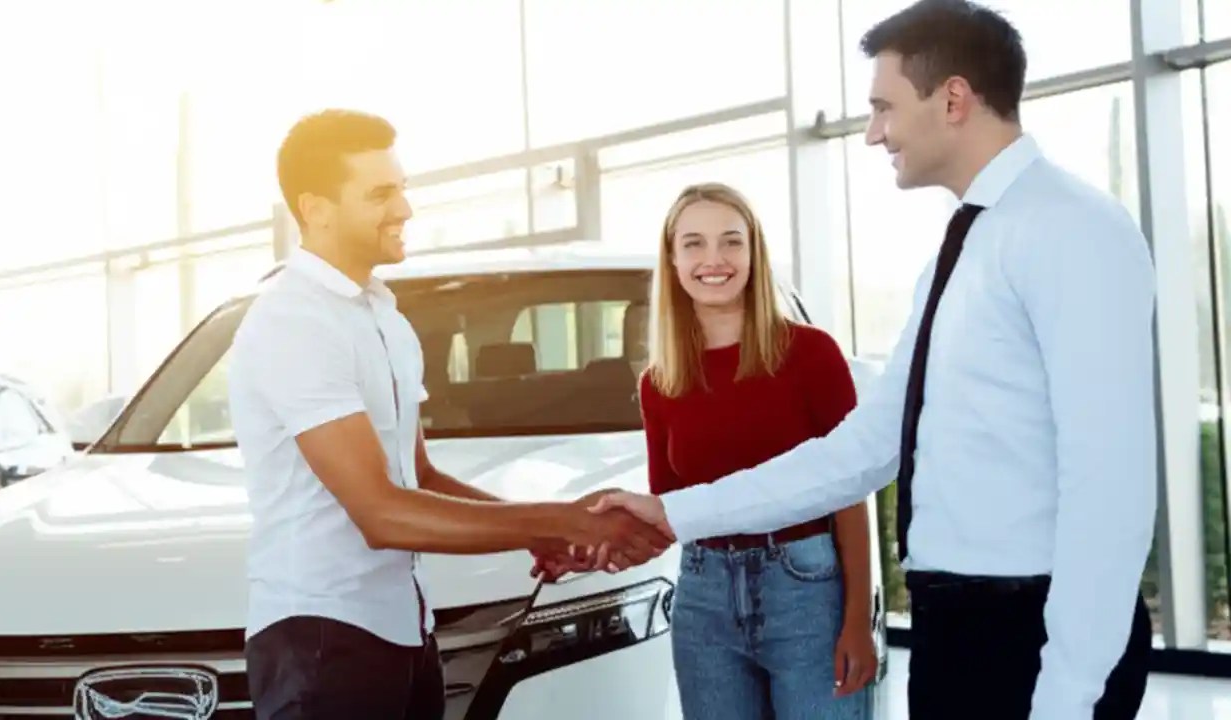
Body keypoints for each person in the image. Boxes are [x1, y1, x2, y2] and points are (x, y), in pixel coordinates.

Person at [589, 2, 1156, 719]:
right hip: (961, 628)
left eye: (884, 107)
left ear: (953, 98)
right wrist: (670, 511)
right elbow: (859, 451)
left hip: (1032, 634)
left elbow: (1110, 488)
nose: (872, 133)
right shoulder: (961, 252)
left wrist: (1072, 694)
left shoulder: (1073, 230)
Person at [227, 108, 671, 720]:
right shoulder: (294, 322)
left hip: (402, 632)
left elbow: (420, 479)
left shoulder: (383, 317)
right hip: (322, 641)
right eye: (381, 193)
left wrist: (543, 533)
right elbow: (381, 512)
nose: (404, 209)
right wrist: (569, 520)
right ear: (316, 208)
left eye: (403, 189)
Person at [642, 182, 877, 719]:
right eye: (694, 244)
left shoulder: (811, 354)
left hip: (806, 593)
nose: (714, 260)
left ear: (754, 253)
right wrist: (583, 540)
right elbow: (668, 510)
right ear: (673, 260)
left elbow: (849, 493)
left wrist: (857, 620)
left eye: (731, 241)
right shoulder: (660, 383)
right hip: (703, 599)